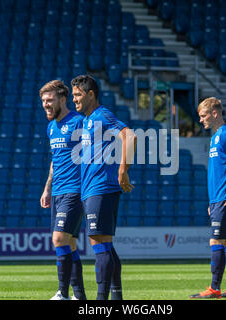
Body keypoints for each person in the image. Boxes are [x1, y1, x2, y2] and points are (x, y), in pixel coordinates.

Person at [71, 75, 137, 300]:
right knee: (103, 244)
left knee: (99, 243)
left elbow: (129, 135)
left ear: (91, 94)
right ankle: (116, 297)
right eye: (73, 96)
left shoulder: (102, 114)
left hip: (102, 187)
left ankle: (102, 300)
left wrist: (123, 169)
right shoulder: (88, 120)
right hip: (91, 189)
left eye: (78, 95)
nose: (74, 100)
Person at [191, 97, 226, 299]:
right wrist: (212, 201)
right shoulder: (215, 137)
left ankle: (214, 288)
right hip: (218, 199)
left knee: (216, 240)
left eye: (203, 116)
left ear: (215, 113)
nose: (201, 120)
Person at [39, 80, 86, 300]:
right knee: (69, 243)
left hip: (75, 190)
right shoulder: (51, 127)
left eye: (49, 100)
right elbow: (55, 160)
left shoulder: (78, 122)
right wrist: (47, 187)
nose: (46, 105)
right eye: (43, 101)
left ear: (62, 99)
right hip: (57, 191)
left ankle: (62, 293)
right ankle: (79, 295)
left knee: (58, 239)